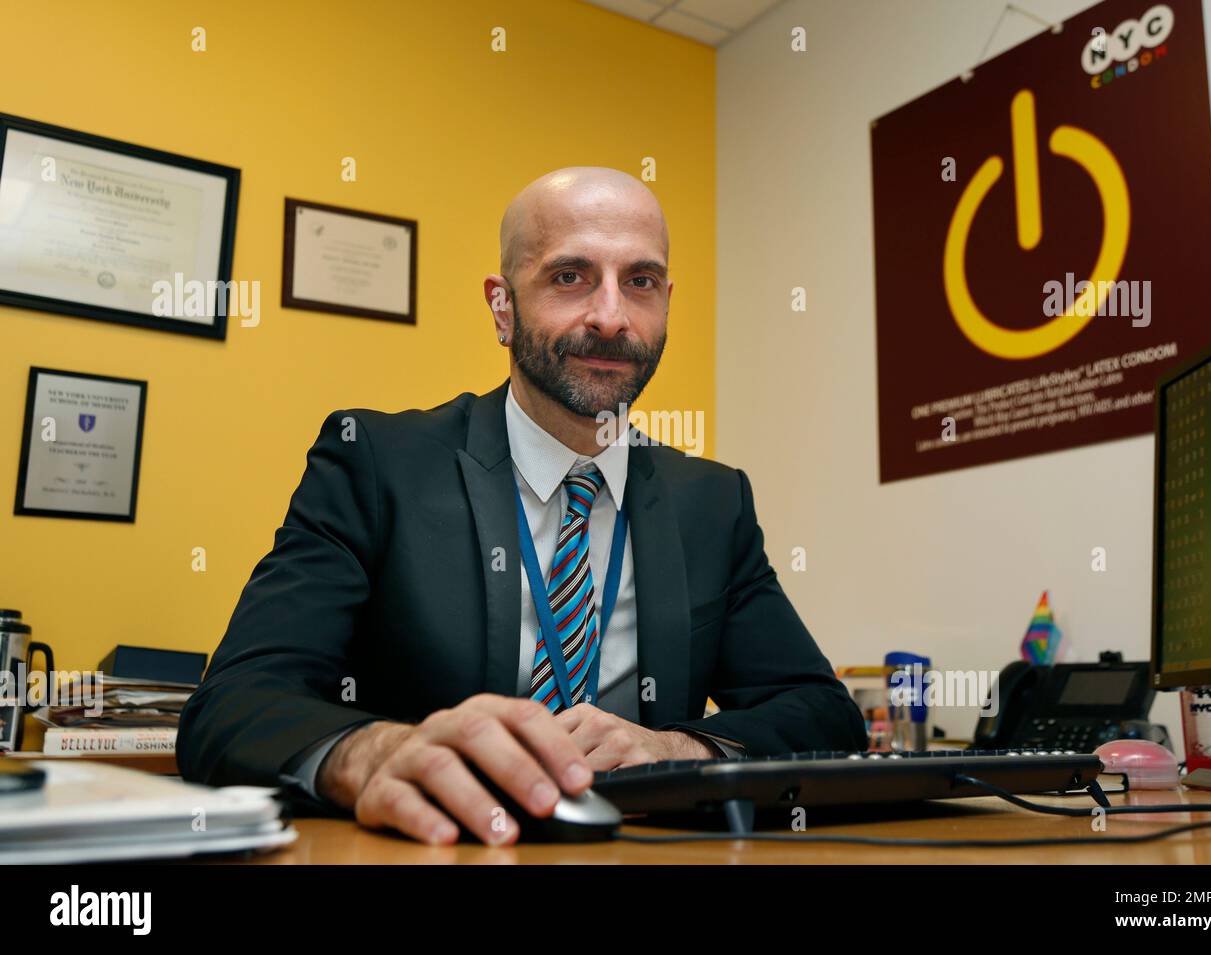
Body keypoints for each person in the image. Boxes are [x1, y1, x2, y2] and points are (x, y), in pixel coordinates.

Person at [177, 167, 866, 846]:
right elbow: (231, 706)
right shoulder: (375, 464)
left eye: (641, 281)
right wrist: (373, 753)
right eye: (570, 276)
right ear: (502, 306)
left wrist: (676, 747)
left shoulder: (712, 502)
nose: (610, 315)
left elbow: (821, 713)